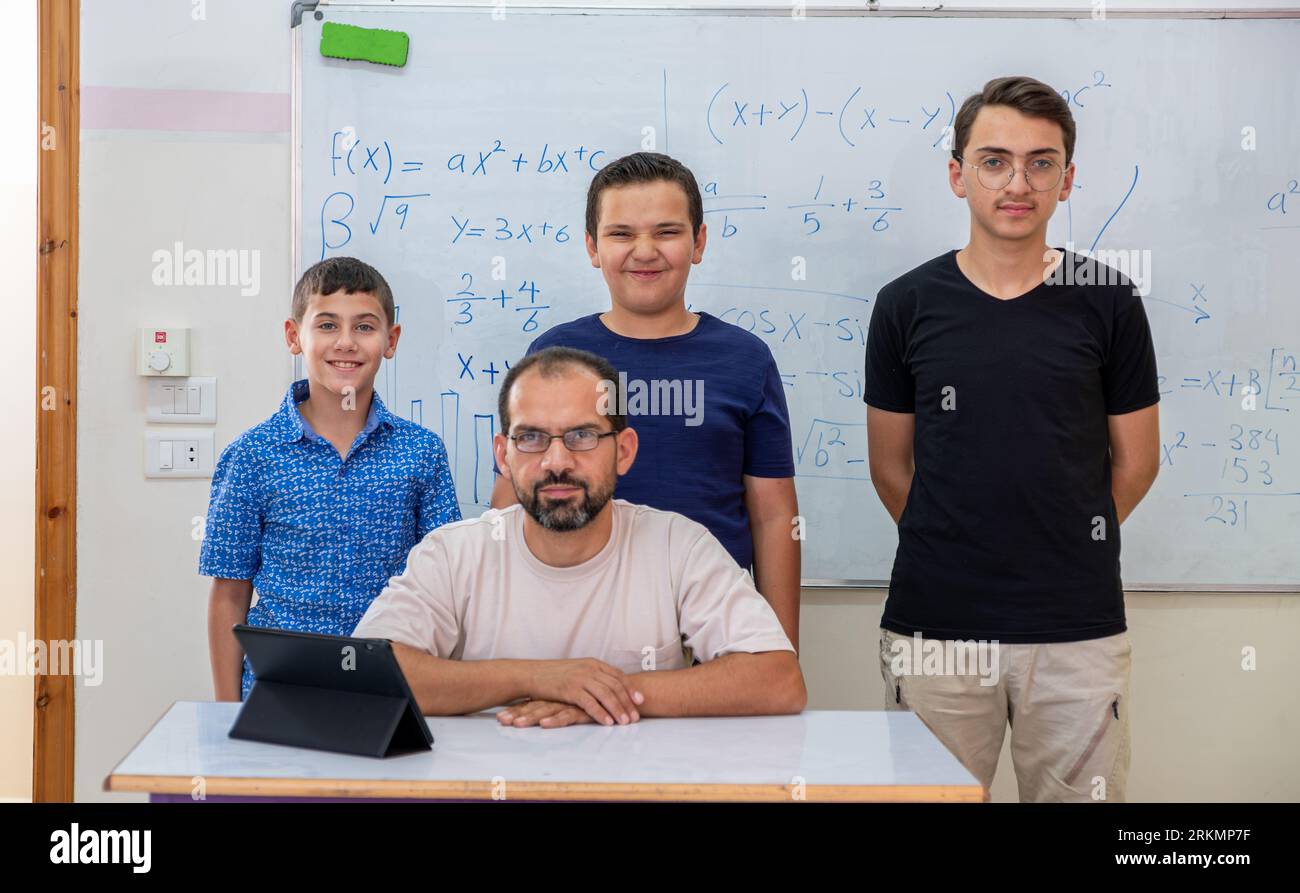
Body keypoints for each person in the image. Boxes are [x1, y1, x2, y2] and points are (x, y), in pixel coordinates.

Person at [864, 76, 1160, 801]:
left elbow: (1138, 462)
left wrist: (1056, 540)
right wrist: (964, 545)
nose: (1017, 182)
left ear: (1067, 179)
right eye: (994, 161)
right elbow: (890, 466)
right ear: (958, 175)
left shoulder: (1110, 302)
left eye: (1041, 162)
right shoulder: (905, 304)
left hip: (1076, 629)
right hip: (936, 629)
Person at [355, 346, 805, 728]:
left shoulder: (678, 545)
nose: (556, 461)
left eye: (582, 436)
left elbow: (778, 679)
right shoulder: (453, 553)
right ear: (504, 456)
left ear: (623, 451)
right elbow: (370, 675)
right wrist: (538, 678)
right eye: (530, 437)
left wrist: (603, 696)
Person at [491, 151, 801, 648]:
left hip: (710, 621)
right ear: (592, 247)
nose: (644, 251)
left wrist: (779, 648)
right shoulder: (552, 357)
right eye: (621, 234)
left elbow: (774, 516)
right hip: (572, 619)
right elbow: (512, 501)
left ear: (698, 242)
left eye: (666, 231)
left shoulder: (746, 359)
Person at [201, 256, 461, 701]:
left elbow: (449, 584)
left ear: (390, 340)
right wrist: (225, 711)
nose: (346, 342)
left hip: (393, 685)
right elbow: (229, 591)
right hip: (279, 690)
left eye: (364, 327)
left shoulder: (422, 452)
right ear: (293, 336)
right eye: (326, 325)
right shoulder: (251, 456)